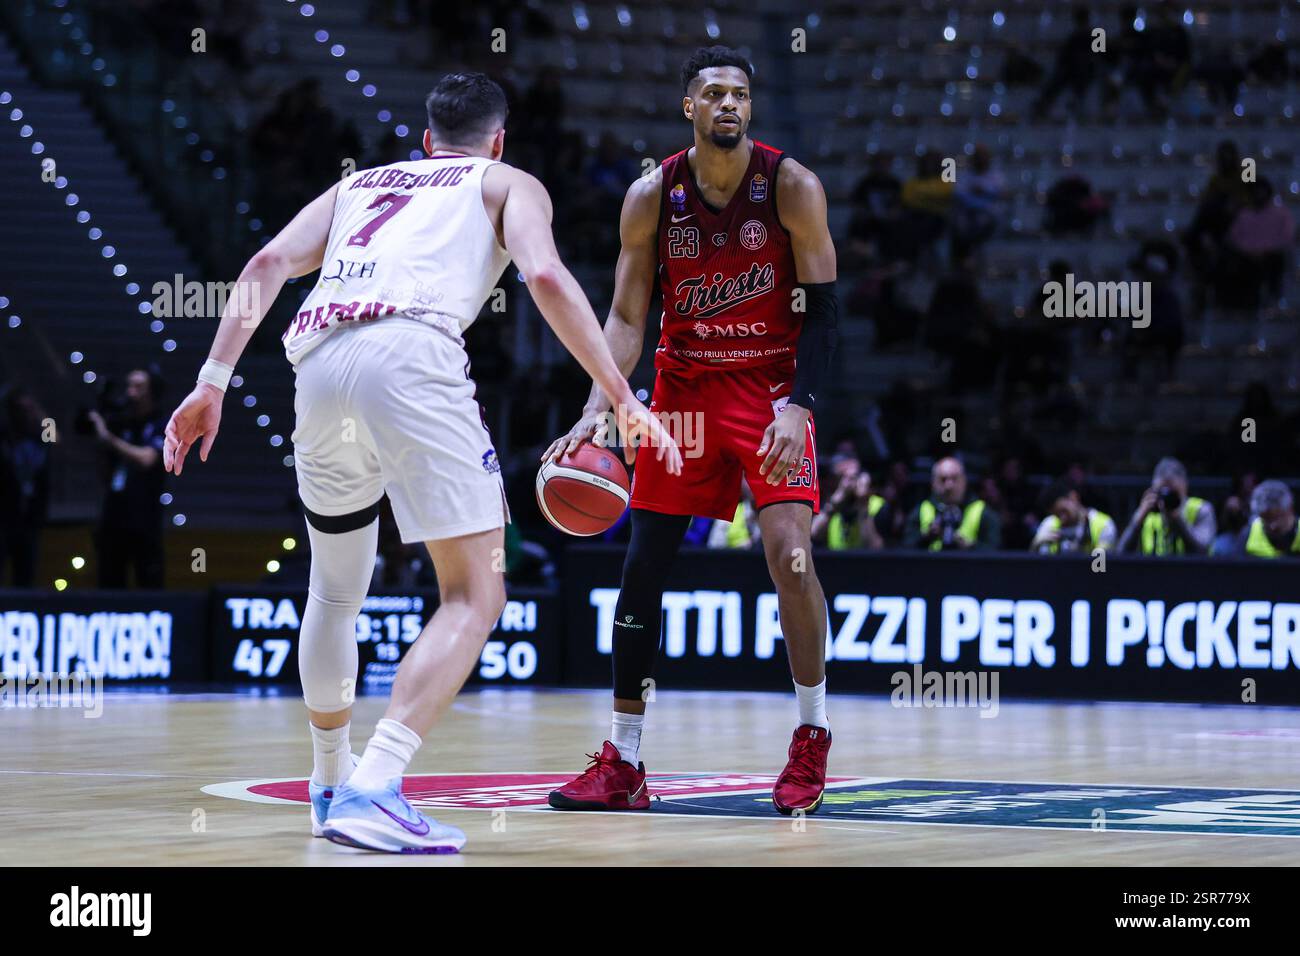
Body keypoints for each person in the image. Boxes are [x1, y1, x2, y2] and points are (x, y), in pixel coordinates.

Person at [162, 72, 680, 854]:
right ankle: (376, 784)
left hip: (320, 362)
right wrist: (621, 397)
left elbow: (267, 263)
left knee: (335, 593)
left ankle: (329, 781)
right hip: (413, 355)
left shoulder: (358, 185)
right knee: (476, 593)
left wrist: (211, 381)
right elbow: (542, 275)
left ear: (426, 136)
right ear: (497, 139)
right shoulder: (508, 182)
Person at [541, 46, 840, 816]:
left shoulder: (793, 186)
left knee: (792, 556)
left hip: (772, 391)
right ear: (690, 109)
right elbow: (629, 318)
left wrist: (800, 406)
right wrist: (597, 408)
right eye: (714, 93)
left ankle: (811, 739)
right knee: (642, 570)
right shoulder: (651, 197)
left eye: (740, 93)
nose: (729, 104)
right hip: (684, 393)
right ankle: (625, 762)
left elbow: (826, 313)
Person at [90, 369, 167, 588]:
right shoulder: (121, 423)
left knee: (149, 584)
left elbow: (147, 459)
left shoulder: (162, 424)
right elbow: (105, 475)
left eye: (138, 387)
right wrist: (101, 444)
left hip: (145, 518)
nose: (130, 392)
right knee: (109, 583)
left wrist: (109, 439)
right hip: (114, 515)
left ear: (152, 391)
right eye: (128, 386)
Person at [0, 386, 51, 587]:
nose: (24, 414)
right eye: (19, 409)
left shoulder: (40, 438)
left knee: (26, 573)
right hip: (4, 516)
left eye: (28, 409)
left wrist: (37, 411)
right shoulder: (4, 436)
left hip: (30, 518)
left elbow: (55, 435)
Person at [1116, 457, 1215, 555]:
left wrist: (1177, 519)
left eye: (1172, 494)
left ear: (1185, 485)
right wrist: (1138, 520)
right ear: (1153, 488)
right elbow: (1121, 553)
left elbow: (1202, 552)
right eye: (1163, 493)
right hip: (1154, 569)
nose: (1167, 500)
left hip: (1192, 570)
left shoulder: (1200, 509)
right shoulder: (1147, 513)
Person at [903, 457, 1001, 551]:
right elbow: (905, 551)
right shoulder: (920, 511)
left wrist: (969, 546)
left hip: (968, 567)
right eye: (943, 479)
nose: (949, 486)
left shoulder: (984, 513)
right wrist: (926, 538)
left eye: (954, 479)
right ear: (933, 483)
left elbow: (995, 554)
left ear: (964, 481)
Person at [811, 451, 885, 551]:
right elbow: (813, 534)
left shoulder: (879, 506)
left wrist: (863, 504)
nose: (847, 484)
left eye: (853, 477)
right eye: (842, 477)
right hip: (835, 564)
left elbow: (877, 549)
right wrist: (834, 504)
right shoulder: (831, 504)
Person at [1031, 479, 1116, 554]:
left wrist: (1085, 549)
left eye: (1063, 512)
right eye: (1056, 515)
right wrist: (1036, 545)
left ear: (1073, 497)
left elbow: (1101, 567)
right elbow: (1039, 566)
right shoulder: (1049, 524)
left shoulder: (1103, 524)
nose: (1062, 519)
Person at [1237, 480, 1300, 558]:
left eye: (1277, 517)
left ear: (1290, 508)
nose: (1272, 526)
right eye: (1266, 519)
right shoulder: (1247, 535)